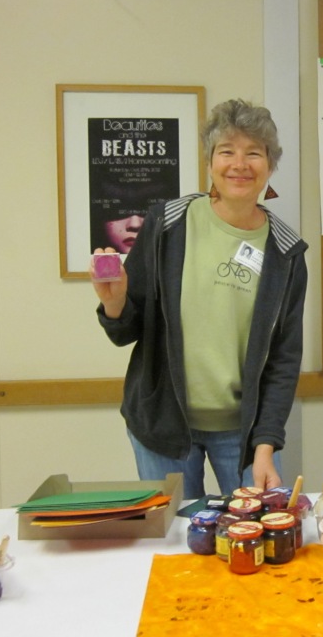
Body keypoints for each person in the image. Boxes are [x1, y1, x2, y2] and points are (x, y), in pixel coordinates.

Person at [90, 99, 308, 499]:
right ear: (210, 162)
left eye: (253, 153)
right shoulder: (168, 223)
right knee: (173, 531)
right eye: (226, 151)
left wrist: (265, 447)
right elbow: (125, 332)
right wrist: (115, 302)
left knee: (255, 529)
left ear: (270, 166)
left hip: (243, 435)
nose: (239, 164)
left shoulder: (286, 252)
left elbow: (283, 360)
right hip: (162, 426)